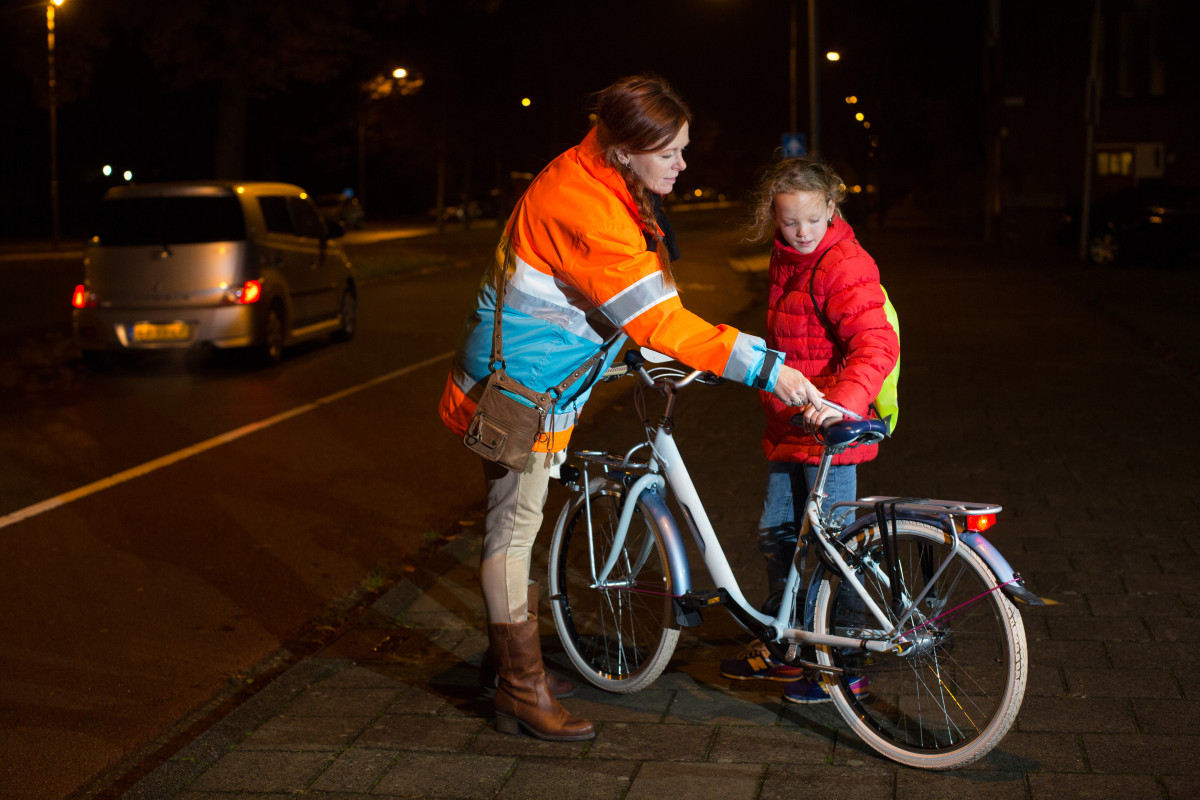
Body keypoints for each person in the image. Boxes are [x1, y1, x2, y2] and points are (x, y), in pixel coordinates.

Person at [438, 75, 824, 741]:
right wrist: (765, 368)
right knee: (513, 529)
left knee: (518, 526)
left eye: (683, 149)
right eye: (670, 153)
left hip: (544, 378)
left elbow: (632, 294)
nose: (682, 164)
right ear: (623, 149)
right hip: (517, 392)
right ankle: (520, 691)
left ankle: (506, 670)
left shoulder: (601, 176)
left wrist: (656, 349)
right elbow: (657, 317)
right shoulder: (583, 204)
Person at [719, 156, 899, 704]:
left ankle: (842, 667)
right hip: (792, 425)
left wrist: (840, 405)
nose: (800, 232)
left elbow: (876, 345)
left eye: (811, 221)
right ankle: (789, 646)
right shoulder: (788, 258)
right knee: (779, 537)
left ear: (832, 210)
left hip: (832, 431)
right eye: (788, 221)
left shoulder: (843, 264)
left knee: (831, 549)